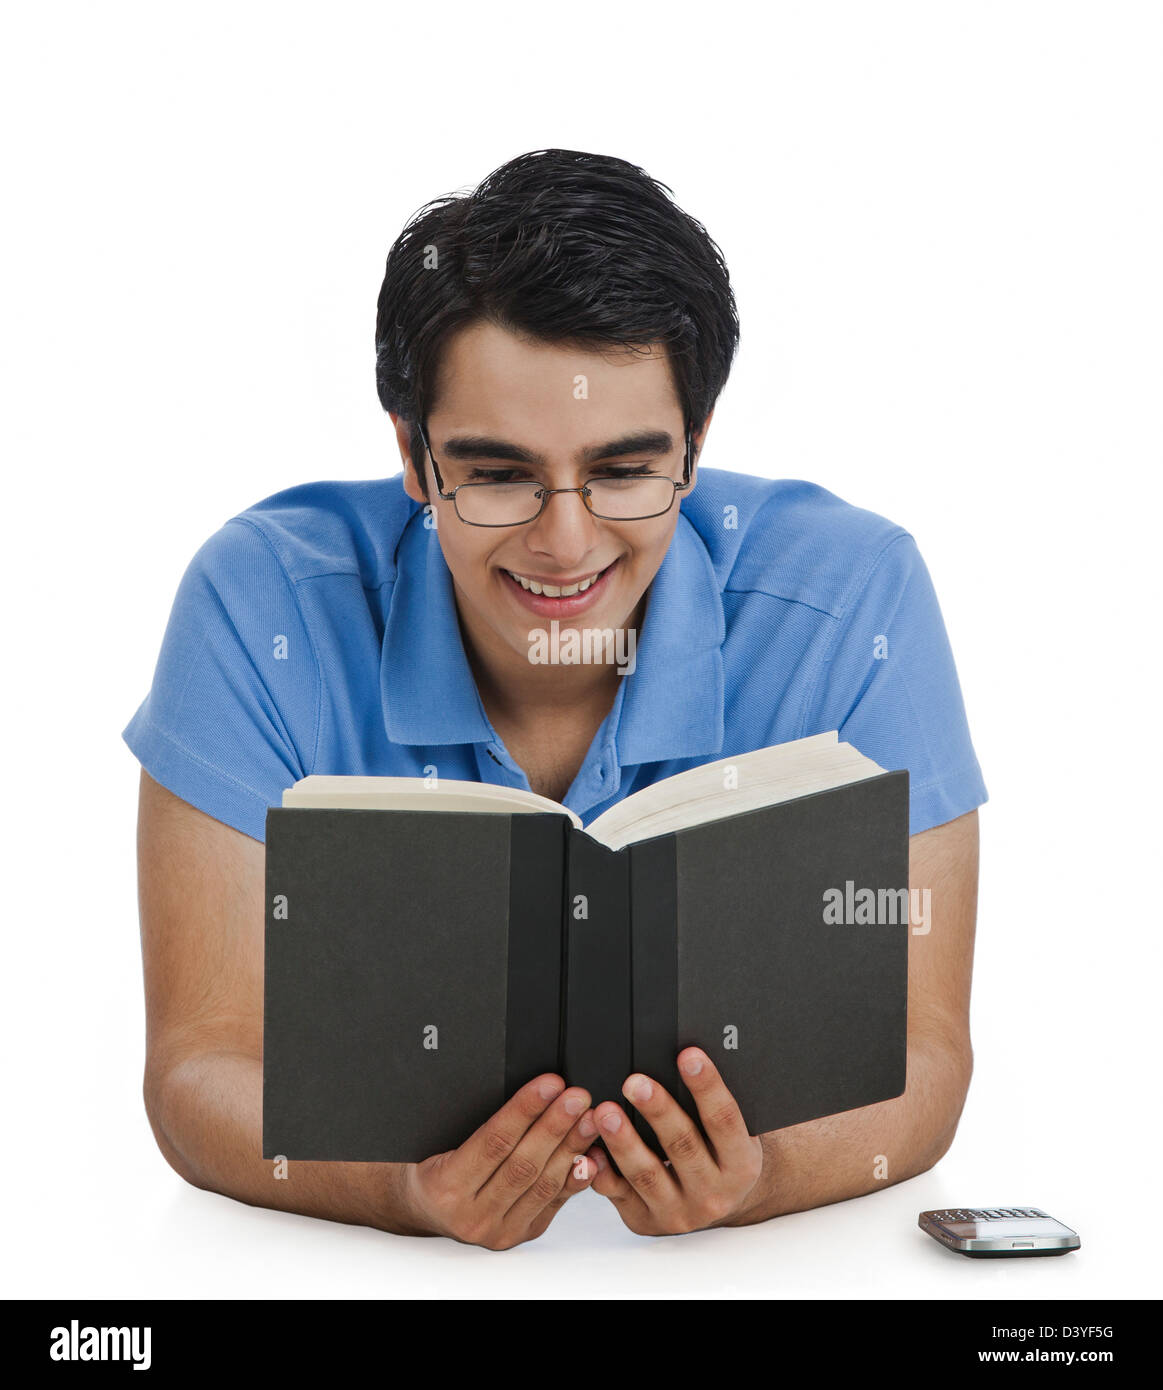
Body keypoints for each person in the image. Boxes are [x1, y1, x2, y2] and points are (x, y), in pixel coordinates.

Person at [124, 148, 987, 1250]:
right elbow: (197, 1063)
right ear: (412, 454)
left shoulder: (855, 596)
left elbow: (923, 1053)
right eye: (496, 475)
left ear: (697, 444)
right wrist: (399, 1193)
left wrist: (760, 1176)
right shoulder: (256, 602)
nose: (564, 541)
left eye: (625, 471)